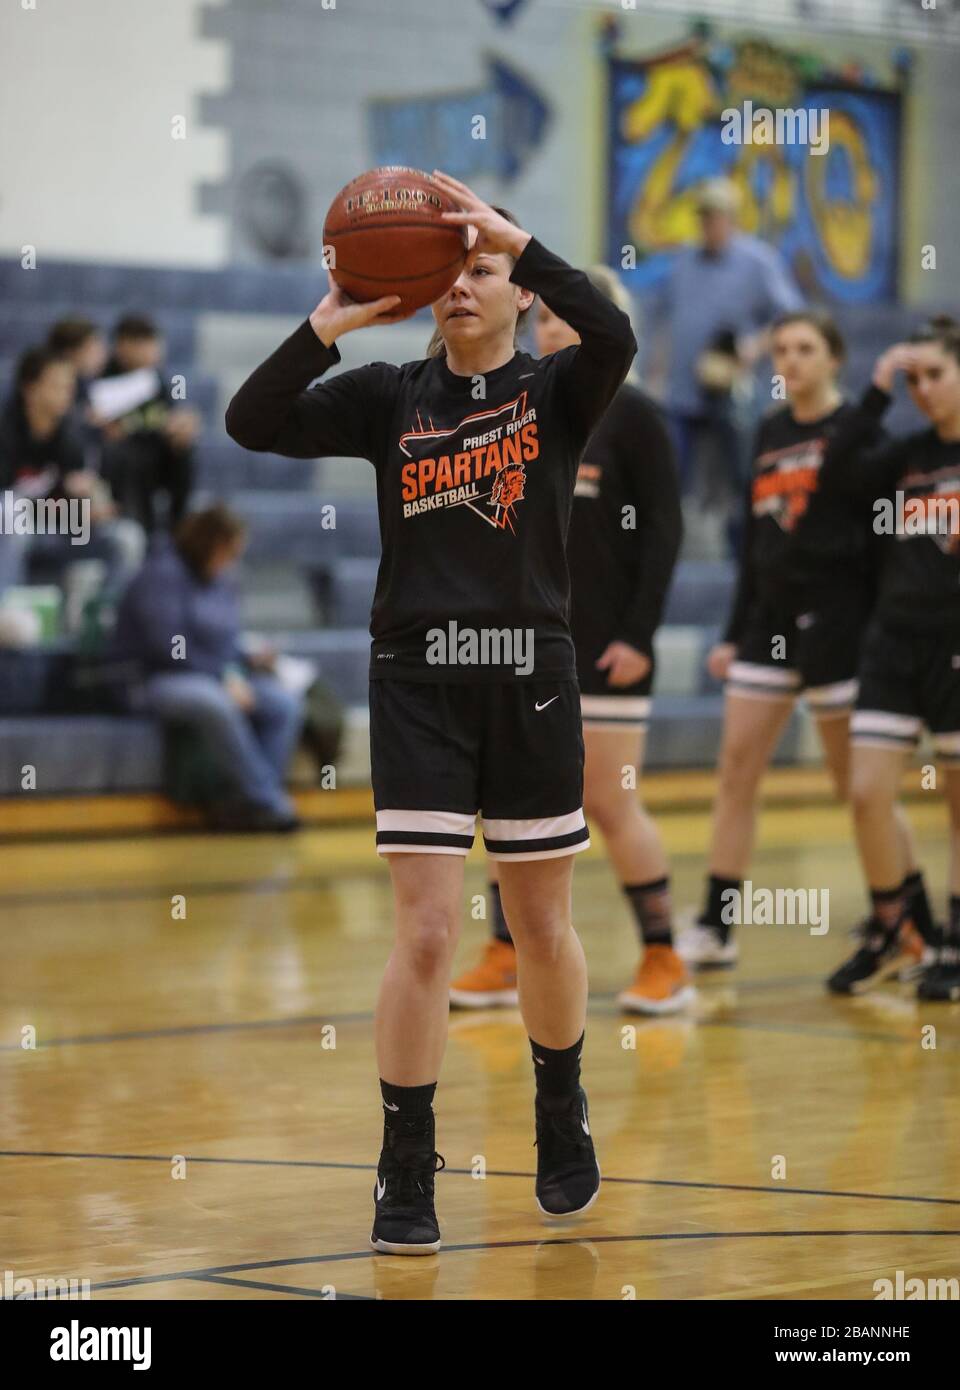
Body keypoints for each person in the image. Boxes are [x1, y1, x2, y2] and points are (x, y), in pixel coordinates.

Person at [225, 171, 637, 1254]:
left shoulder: (558, 392)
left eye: (484, 270)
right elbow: (250, 419)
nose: (463, 284)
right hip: (416, 677)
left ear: (517, 293)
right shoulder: (386, 397)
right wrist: (332, 320)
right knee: (422, 932)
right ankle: (406, 1160)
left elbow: (615, 334)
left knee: (539, 922)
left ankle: (561, 1105)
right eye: (449, 271)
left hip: (530, 674)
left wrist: (524, 240)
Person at [450, 267, 690, 1014]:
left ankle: (664, 955)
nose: (552, 328)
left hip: (608, 644)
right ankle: (504, 950)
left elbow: (665, 533)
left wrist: (641, 635)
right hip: (526, 646)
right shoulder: (523, 412)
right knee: (506, 802)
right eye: (544, 317)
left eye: (567, 316)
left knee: (611, 804)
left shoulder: (636, 417)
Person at [677, 311, 929, 970]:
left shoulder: (859, 433)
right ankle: (717, 922)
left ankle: (914, 918)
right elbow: (756, 545)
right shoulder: (768, 429)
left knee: (859, 788)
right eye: (782, 348)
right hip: (768, 624)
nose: (789, 359)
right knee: (736, 771)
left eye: (805, 348)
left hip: (840, 625)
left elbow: (875, 540)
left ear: (834, 359)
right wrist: (735, 632)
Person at [818, 317, 960, 1000]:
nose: (923, 389)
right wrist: (876, 391)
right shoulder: (905, 455)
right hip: (893, 642)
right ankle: (891, 927)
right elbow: (837, 471)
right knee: (868, 792)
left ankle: (954, 945)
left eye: (935, 375)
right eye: (914, 379)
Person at [113, 505, 303, 832]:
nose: (232, 561)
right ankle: (269, 803)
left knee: (284, 704)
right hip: (150, 679)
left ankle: (243, 804)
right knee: (216, 702)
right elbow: (169, 646)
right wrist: (222, 677)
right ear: (210, 543)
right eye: (229, 552)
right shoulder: (162, 573)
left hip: (211, 676)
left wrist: (247, 659)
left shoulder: (223, 580)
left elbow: (224, 642)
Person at [652, 178, 802, 551]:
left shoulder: (758, 262)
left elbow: (791, 316)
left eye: (715, 216)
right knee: (670, 474)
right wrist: (656, 373)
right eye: (703, 216)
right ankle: (668, 555)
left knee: (743, 475)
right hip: (684, 391)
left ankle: (745, 553)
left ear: (732, 219)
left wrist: (755, 345)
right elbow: (666, 322)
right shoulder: (684, 262)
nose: (708, 224)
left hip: (735, 393)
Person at [0, 346, 143, 601]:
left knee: (126, 538)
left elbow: (87, 497)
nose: (67, 394)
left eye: (70, 386)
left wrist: (94, 506)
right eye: (57, 386)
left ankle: (105, 620)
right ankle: (7, 615)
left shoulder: (74, 437)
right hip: (12, 534)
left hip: (59, 531)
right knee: (12, 513)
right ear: (30, 388)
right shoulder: (6, 433)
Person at [98, 314, 199, 532]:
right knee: (127, 458)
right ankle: (138, 527)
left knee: (183, 449)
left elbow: (173, 413)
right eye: (146, 345)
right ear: (122, 346)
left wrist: (182, 426)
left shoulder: (160, 379)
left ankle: (179, 526)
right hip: (118, 456)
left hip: (154, 449)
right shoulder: (104, 376)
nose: (154, 352)